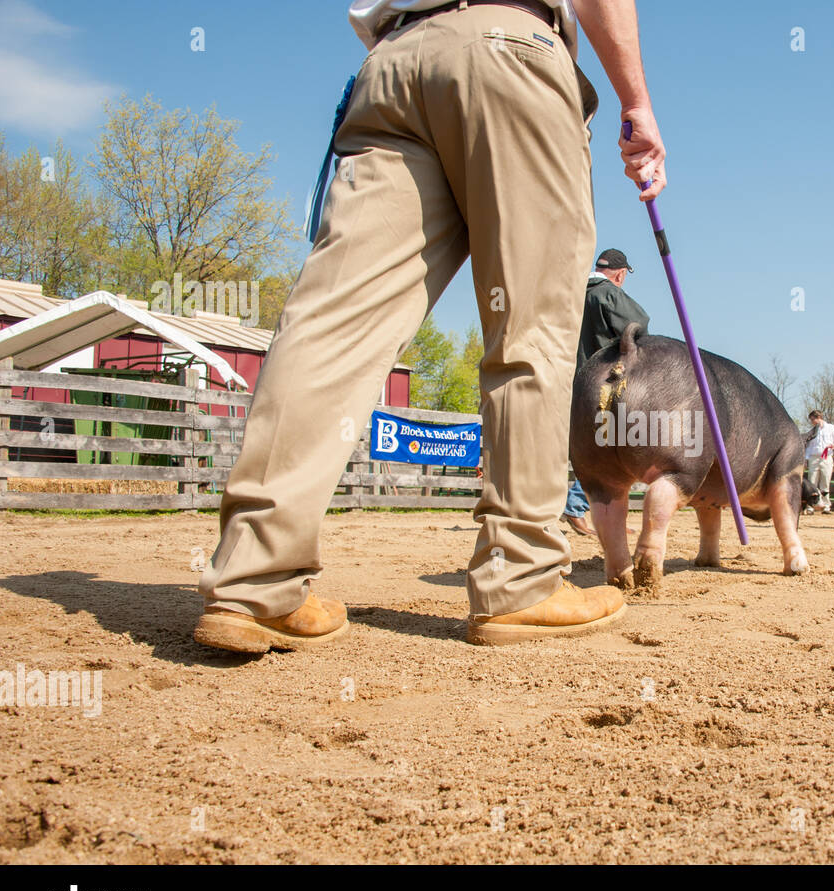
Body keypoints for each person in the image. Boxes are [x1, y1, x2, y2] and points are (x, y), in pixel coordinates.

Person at [194, 0, 667, 652]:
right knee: (529, 333)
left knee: (330, 323)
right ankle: (519, 580)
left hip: (395, 64)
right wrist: (635, 101)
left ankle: (253, 575)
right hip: (512, 50)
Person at [563, 247, 651, 534]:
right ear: (620, 274)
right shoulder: (606, 293)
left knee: (576, 446)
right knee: (612, 447)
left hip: (566, 380)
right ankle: (576, 504)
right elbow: (639, 324)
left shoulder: (572, 290)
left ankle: (605, 515)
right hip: (600, 383)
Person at [803, 411, 834, 513]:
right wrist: (806, 459)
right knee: (812, 481)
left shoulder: (831, 428)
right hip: (814, 458)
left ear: (818, 417)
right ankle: (810, 506)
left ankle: (826, 505)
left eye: (813, 419)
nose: (812, 422)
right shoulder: (812, 431)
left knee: (825, 481)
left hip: (826, 457)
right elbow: (809, 447)